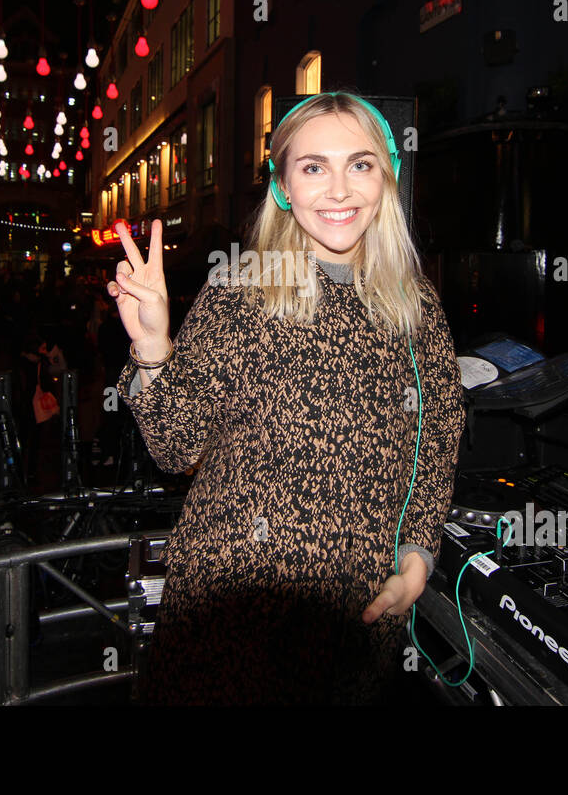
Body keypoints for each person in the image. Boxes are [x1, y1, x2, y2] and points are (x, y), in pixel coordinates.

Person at [110, 91, 465, 704]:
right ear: (282, 187)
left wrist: (419, 552)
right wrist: (152, 345)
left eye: (360, 164)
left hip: (356, 619)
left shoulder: (416, 306)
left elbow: (436, 435)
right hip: (234, 615)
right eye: (313, 167)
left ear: (387, 177)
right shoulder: (241, 291)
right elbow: (175, 445)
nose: (339, 190)